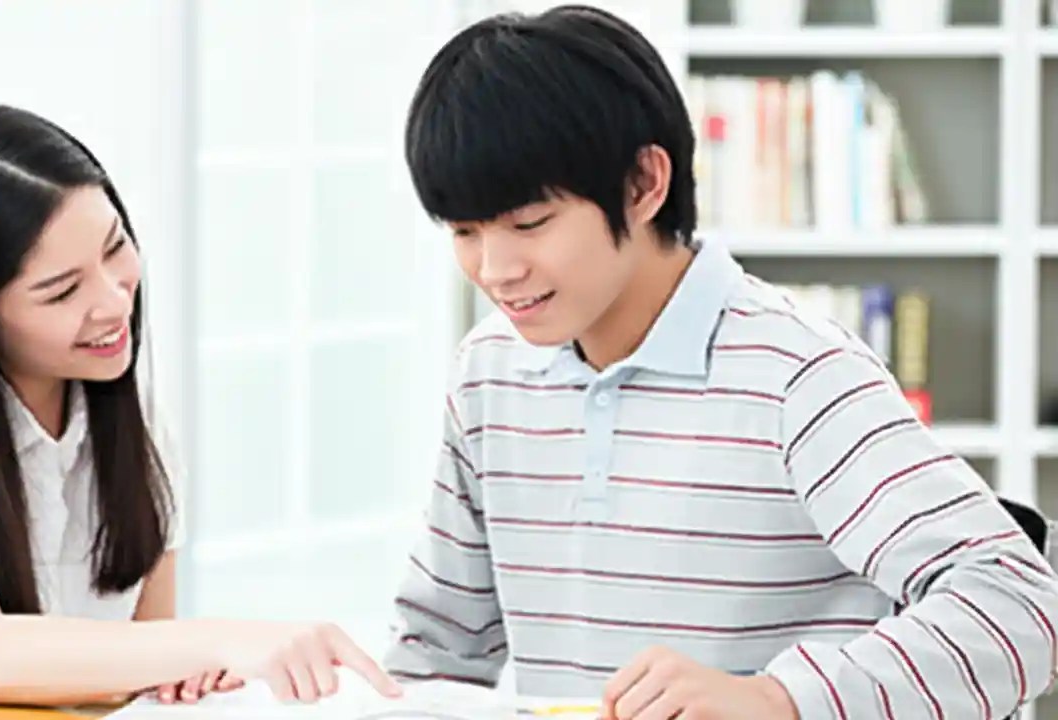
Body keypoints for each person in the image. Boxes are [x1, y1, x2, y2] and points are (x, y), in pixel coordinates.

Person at [384, 6, 1058, 719]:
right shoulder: (491, 372)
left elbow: (1018, 602)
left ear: (644, 184)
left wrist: (778, 700)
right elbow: (434, 657)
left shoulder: (794, 374)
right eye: (464, 231)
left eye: (529, 224)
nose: (495, 269)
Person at [0, 105, 400, 708]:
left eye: (114, 247)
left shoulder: (132, 417)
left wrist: (175, 670)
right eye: (61, 290)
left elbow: (139, 662)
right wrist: (215, 640)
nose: (113, 302)